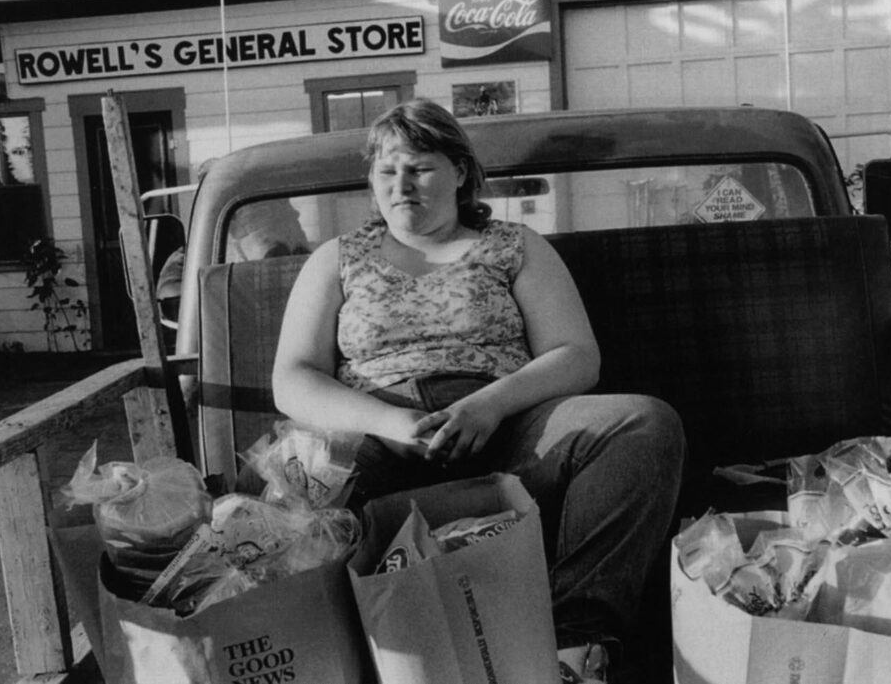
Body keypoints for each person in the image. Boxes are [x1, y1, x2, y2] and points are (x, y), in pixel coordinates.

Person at [271, 98, 686, 683]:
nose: (402, 185)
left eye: (420, 168)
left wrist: (489, 405)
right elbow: (293, 377)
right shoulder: (337, 260)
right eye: (387, 171)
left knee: (644, 422)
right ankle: (325, 663)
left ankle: (574, 648)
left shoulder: (513, 246)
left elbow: (577, 355)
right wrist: (389, 425)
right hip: (376, 441)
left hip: (509, 430)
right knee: (285, 481)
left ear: (460, 172)